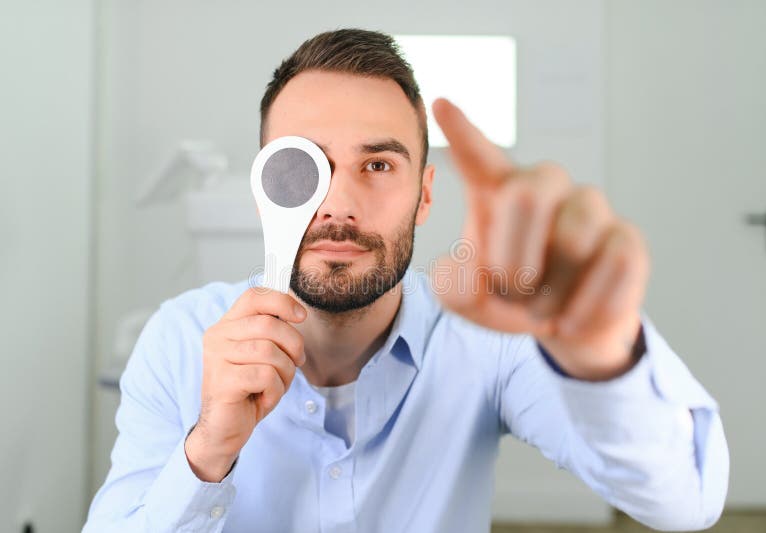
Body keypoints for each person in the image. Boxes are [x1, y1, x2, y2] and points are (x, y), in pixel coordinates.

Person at [83, 28, 729, 533]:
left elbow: (684, 500)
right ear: (264, 190)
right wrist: (206, 453)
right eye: (306, 166)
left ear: (424, 196)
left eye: (379, 164)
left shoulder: (486, 342)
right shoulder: (179, 340)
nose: (338, 203)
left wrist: (599, 355)